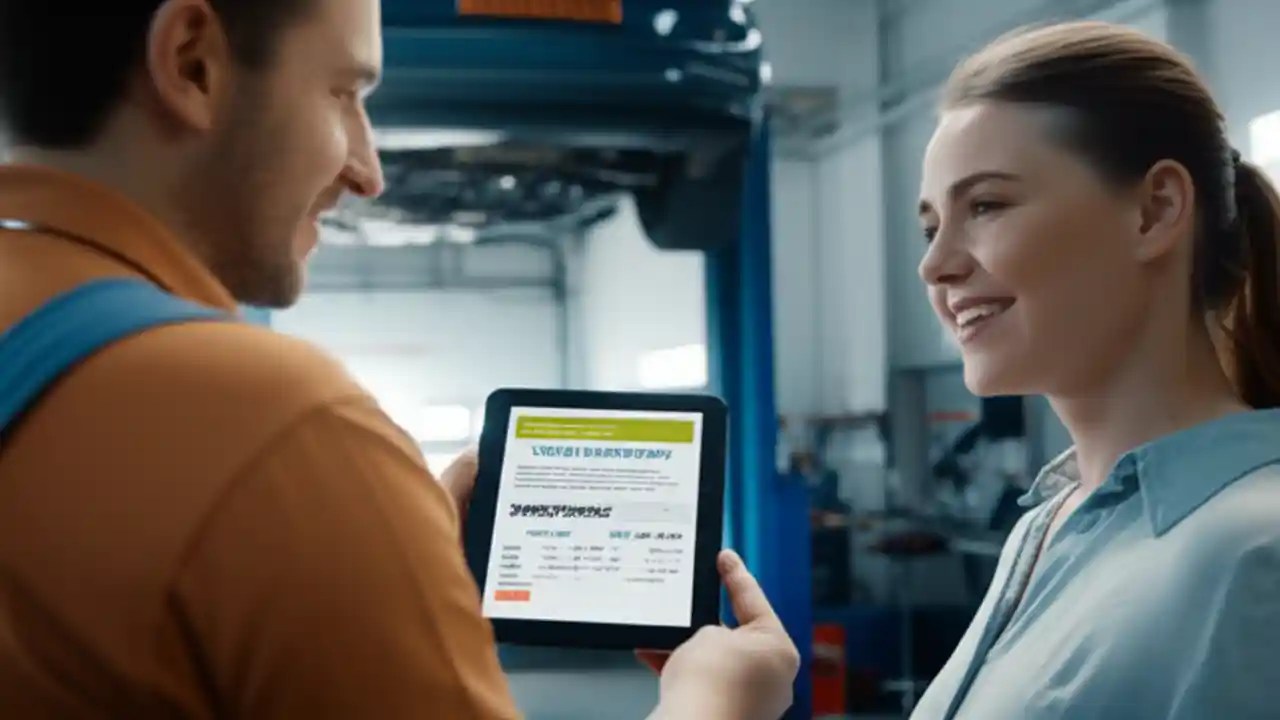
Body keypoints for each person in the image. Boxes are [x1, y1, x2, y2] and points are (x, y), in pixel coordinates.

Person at [0, 1, 799, 718]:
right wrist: (713, 706)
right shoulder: (278, 422)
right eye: (344, 94)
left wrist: (378, 581)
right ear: (191, 63)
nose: (368, 172)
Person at [913, 20, 1280, 719]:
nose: (936, 265)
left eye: (985, 205)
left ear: (1154, 211)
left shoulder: (1258, 554)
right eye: (931, 226)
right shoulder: (1046, 525)